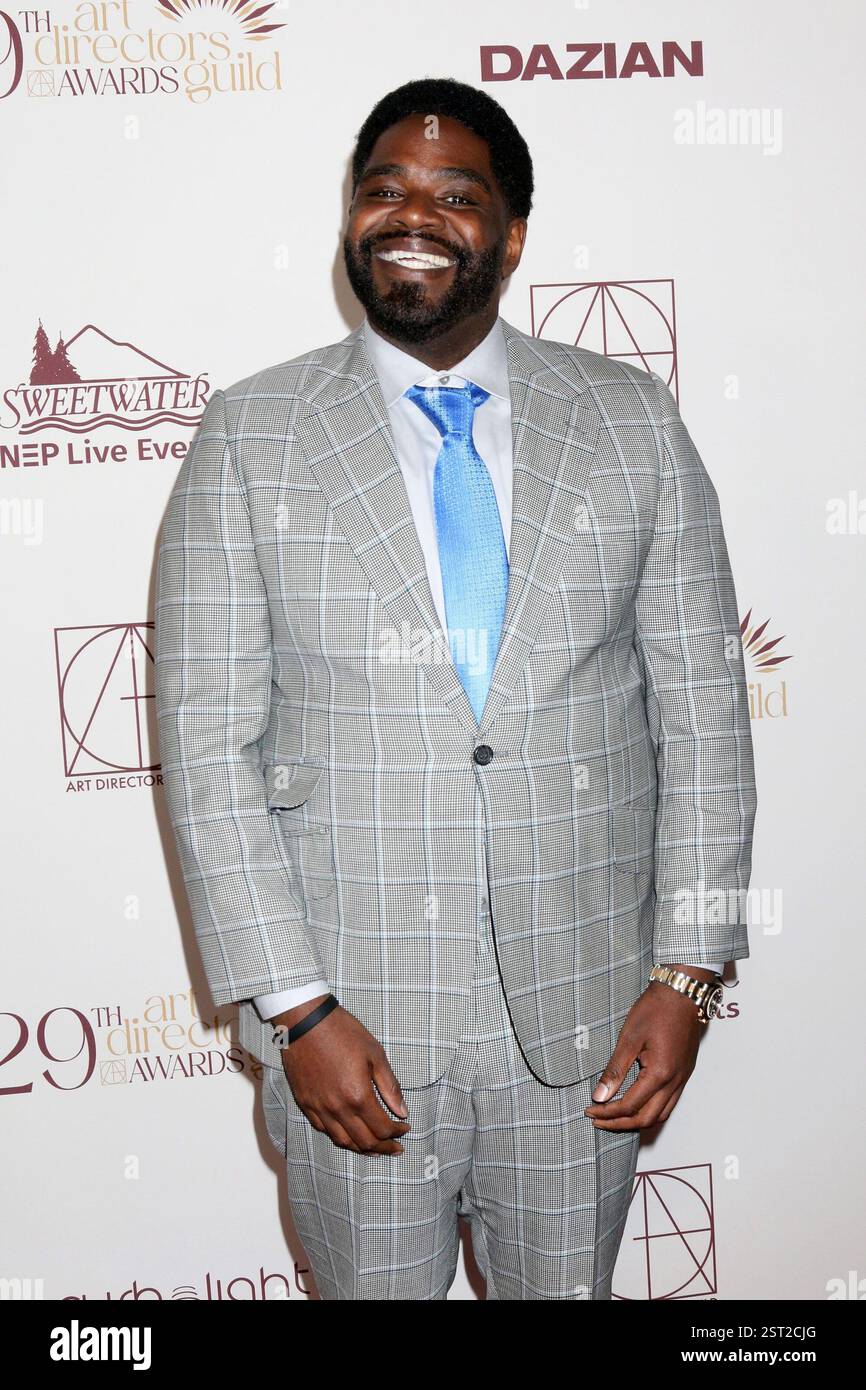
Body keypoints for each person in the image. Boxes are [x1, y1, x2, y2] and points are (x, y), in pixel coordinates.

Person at [154, 77, 756, 1301]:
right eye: (382, 188)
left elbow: (702, 720)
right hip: (351, 1030)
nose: (408, 214)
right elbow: (206, 745)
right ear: (348, 213)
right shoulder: (249, 435)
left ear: (512, 231)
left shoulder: (632, 422)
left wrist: (687, 969)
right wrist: (295, 1005)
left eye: (452, 194)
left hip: (582, 1026)